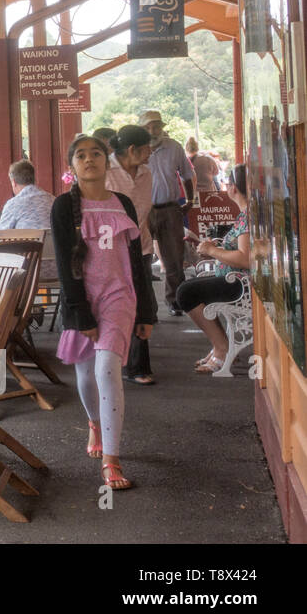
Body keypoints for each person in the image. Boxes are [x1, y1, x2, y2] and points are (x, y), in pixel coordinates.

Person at [51, 134, 157, 491]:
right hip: (84, 299)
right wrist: (79, 312)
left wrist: (146, 310)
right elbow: (67, 265)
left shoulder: (123, 203)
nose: (89, 159)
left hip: (119, 298)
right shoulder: (64, 207)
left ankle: (111, 460)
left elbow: (138, 261)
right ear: (72, 167)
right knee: (84, 374)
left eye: (96, 153)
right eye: (81, 155)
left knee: (107, 368)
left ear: (106, 161)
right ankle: (95, 422)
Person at [181, 165, 251, 373]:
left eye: (228, 183)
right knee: (188, 287)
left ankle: (222, 348)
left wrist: (212, 251)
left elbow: (245, 258)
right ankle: (219, 345)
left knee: (186, 293)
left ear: (233, 188)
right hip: (233, 277)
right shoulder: (245, 213)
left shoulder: (248, 216)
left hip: (241, 284)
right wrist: (214, 249)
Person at [105, 125, 156, 385]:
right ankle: (114, 361)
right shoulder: (106, 170)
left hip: (142, 246)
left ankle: (138, 367)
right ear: (133, 149)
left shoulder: (146, 173)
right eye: (147, 148)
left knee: (142, 303)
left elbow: (145, 211)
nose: (151, 152)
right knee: (118, 304)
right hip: (112, 250)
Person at [140, 110, 194, 316]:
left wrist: (190, 200)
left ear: (162, 127)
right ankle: (147, 308)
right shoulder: (136, 150)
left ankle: (175, 300)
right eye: (148, 127)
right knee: (142, 259)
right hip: (143, 210)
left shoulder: (174, 147)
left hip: (170, 208)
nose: (153, 131)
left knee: (174, 258)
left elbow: (187, 175)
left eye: (156, 126)